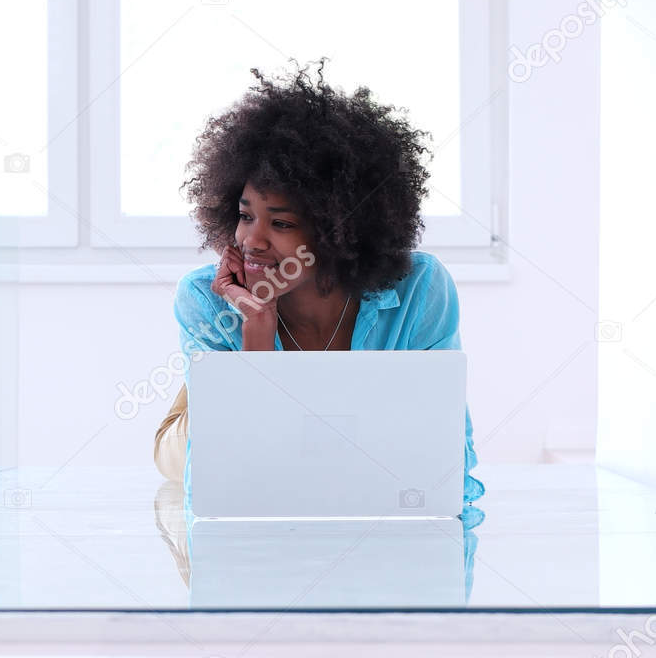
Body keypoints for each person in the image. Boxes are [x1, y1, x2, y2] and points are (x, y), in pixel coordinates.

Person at [152, 63, 484, 529]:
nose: (252, 241)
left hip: (301, 447)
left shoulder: (420, 289)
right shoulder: (204, 298)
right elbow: (224, 479)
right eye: (245, 216)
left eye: (281, 223)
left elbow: (451, 462)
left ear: (338, 232)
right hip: (207, 393)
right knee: (182, 441)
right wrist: (256, 330)